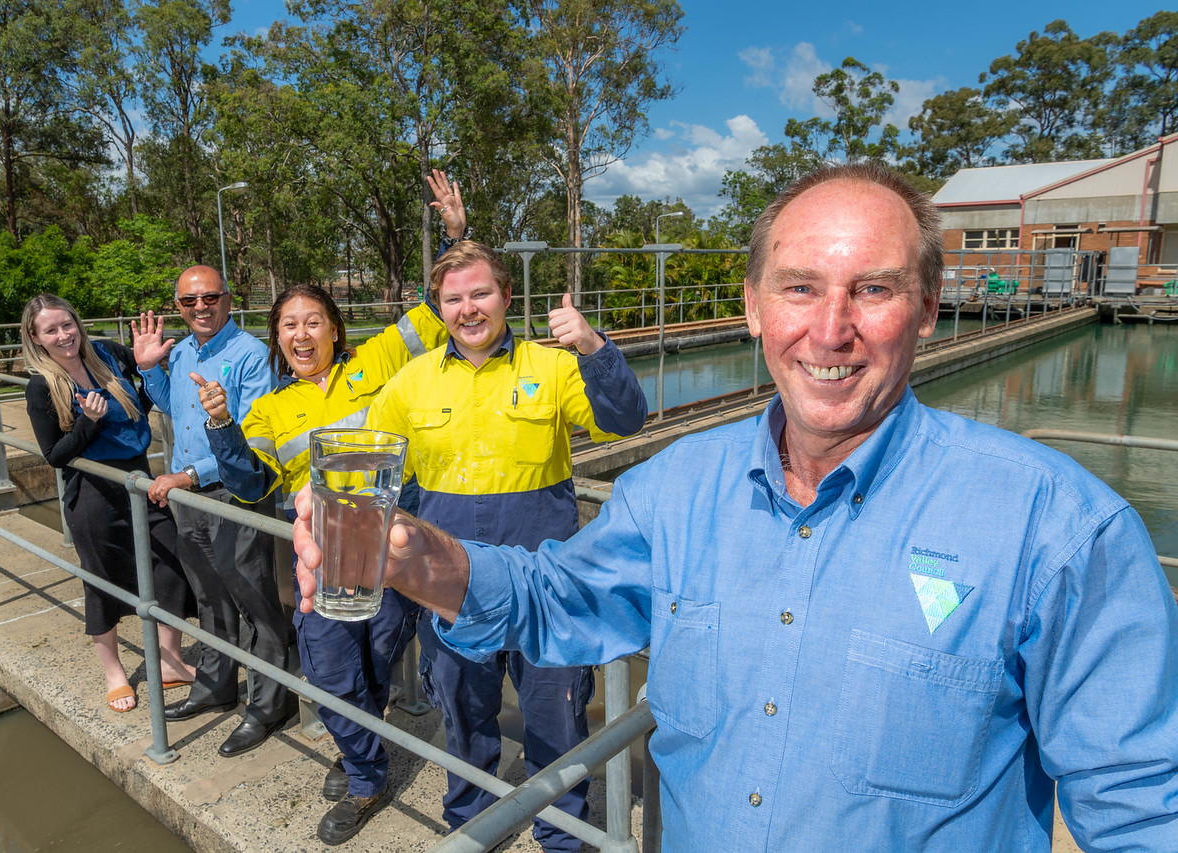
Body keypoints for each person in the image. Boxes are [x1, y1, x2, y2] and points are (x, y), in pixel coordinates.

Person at [293, 163, 1178, 851]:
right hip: (481, 582)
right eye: (799, 287)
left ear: (928, 309)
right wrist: (411, 554)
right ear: (753, 307)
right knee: (468, 732)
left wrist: (596, 349)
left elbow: (1144, 806)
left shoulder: (1057, 530)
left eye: (873, 288)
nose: (830, 328)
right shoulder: (674, 491)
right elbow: (554, 598)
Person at [193, 169, 462, 845]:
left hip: (393, 547)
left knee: (377, 656)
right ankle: (367, 777)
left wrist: (455, 239)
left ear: (336, 331)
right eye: (289, 325)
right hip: (322, 560)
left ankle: (357, 751)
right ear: (278, 339)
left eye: (314, 321)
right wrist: (222, 424)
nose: (302, 333)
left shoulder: (377, 363)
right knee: (328, 666)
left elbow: (437, 313)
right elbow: (250, 484)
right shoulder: (269, 409)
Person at [363, 240, 648, 853]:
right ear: (439, 308)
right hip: (451, 587)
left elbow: (626, 421)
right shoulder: (409, 382)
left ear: (507, 296)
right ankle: (471, 825)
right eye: (453, 299)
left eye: (481, 293)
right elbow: (368, 468)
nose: (468, 309)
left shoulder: (554, 368)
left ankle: (563, 833)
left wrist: (593, 347)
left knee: (556, 713)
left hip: (545, 584)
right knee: (462, 711)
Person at [132, 265, 291, 757]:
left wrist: (188, 475)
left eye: (210, 298)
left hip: (232, 494)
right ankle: (215, 685)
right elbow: (173, 408)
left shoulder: (250, 356)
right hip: (187, 496)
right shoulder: (182, 351)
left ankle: (269, 704)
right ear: (179, 305)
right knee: (209, 595)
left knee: (254, 599)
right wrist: (149, 369)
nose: (200, 308)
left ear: (229, 298)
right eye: (188, 301)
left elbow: (251, 435)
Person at [21, 294, 195, 713]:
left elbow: (144, 391)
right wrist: (88, 421)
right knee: (102, 582)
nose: (64, 335)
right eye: (51, 330)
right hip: (93, 493)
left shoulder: (107, 354)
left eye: (67, 324)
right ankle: (114, 672)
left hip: (140, 479)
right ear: (36, 338)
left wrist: (148, 366)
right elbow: (55, 455)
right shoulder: (42, 385)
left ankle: (170, 662)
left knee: (171, 564)